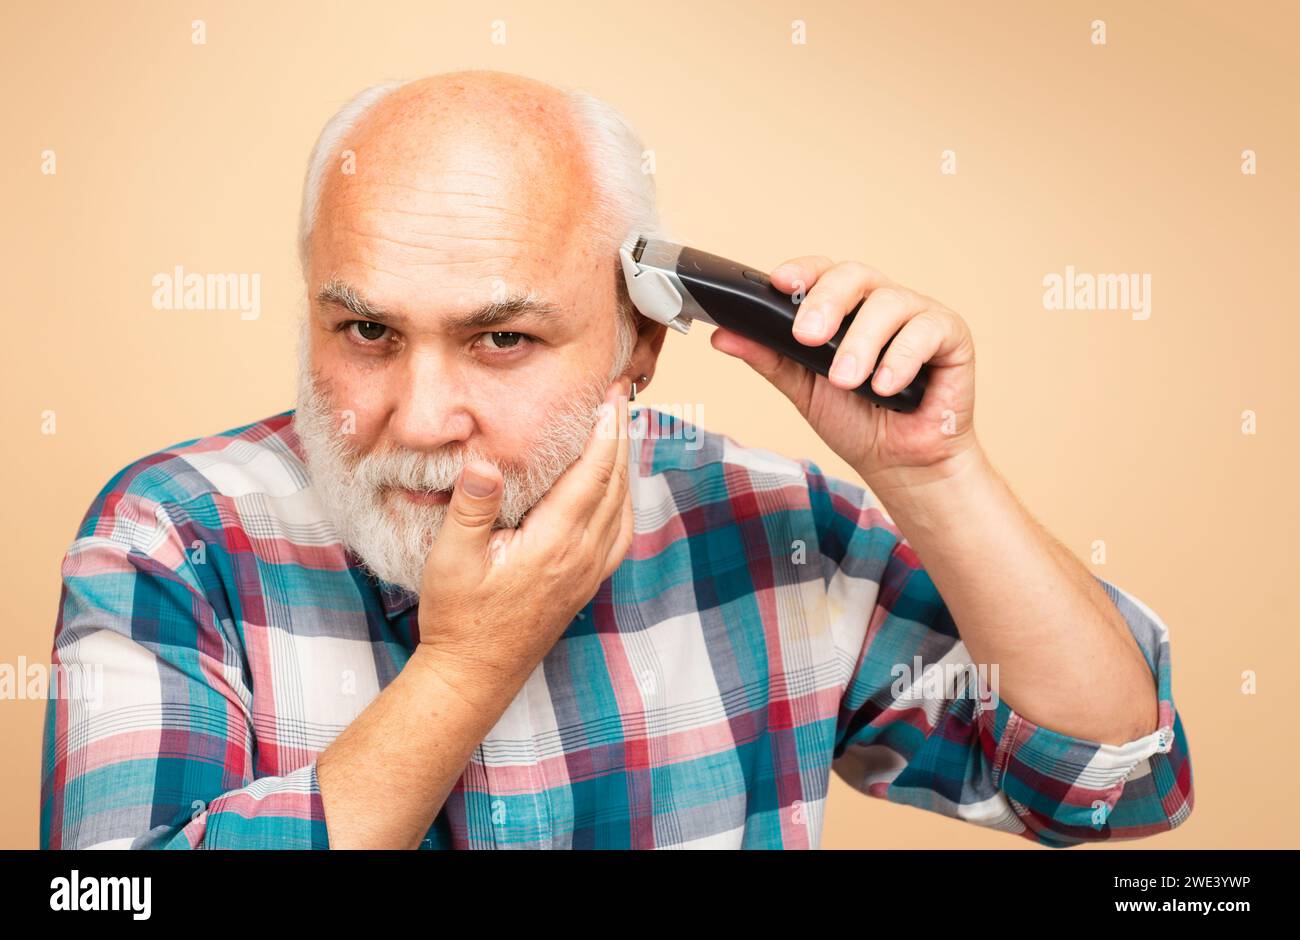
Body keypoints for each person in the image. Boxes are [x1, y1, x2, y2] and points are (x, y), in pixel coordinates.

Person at [40, 69, 1192, 849]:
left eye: (502, 338)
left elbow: (1120, 788)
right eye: (367, 331)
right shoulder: (172, 538)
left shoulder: (768, 523)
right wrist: (462, 671)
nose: (423, 414)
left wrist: (935, 473)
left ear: (639, 338)